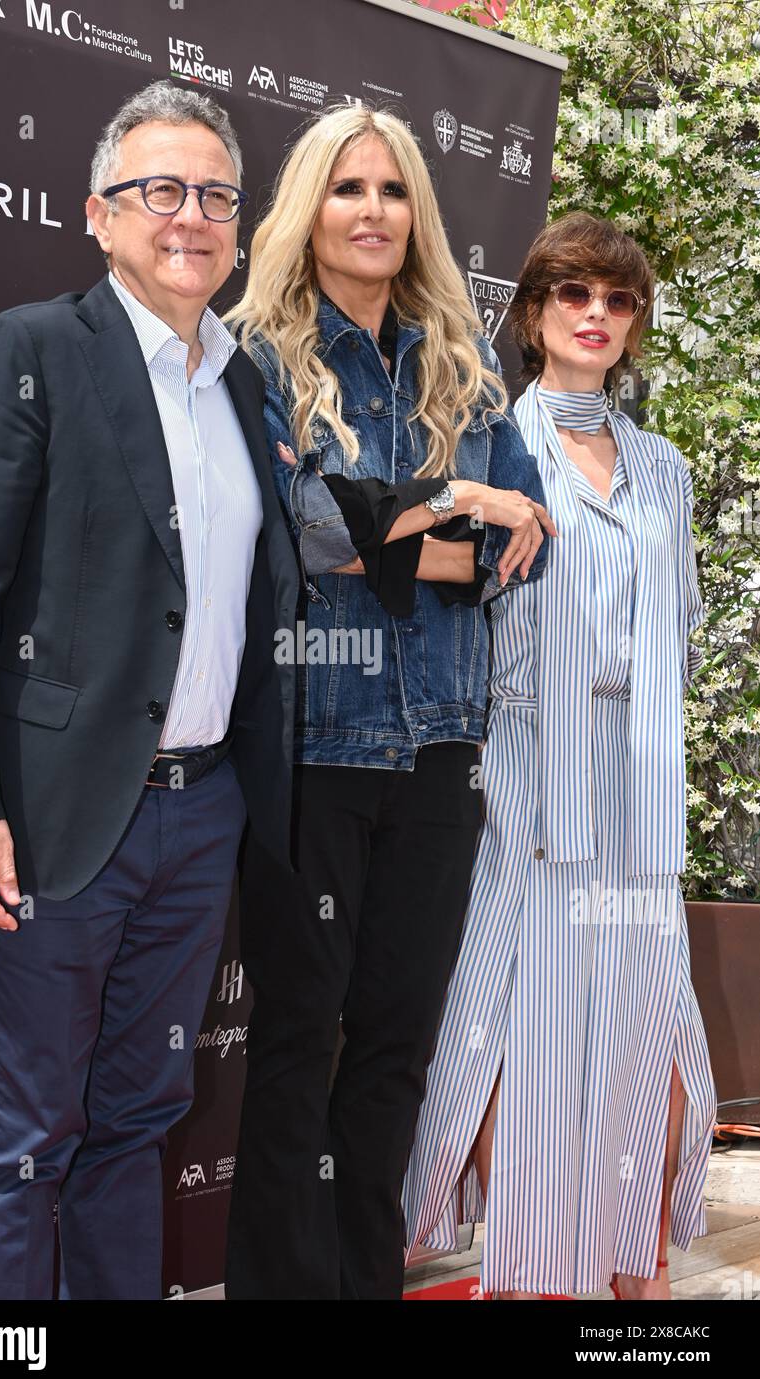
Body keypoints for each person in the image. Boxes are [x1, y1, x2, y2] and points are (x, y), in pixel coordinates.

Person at [0, 80, 299, 1300]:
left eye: (216, 196)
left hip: (202, 814)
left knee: (138, 1121)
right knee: (21, 1136)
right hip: (57, 815)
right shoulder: (30, 351)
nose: (191, 216)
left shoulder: (245, 382)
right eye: (160, 189)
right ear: (98, 213)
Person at [223, 104, 555, 1300]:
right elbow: (309, 531)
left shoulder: (459, 363)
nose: (372, 210)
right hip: (316, 747)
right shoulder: (253, 356)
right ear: (307, 208)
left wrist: (417, 527)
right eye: (347, 187)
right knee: (296, 1047)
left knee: (396, 1049)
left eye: (393, 189)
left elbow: (524, 547)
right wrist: (461, 501)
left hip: (442, 755)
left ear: (418, 212)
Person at [403, 212, 716, 1300]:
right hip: (531, 776)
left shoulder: (664, 467)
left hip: (639, 787)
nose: (596, 314)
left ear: (633, 325)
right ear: (533, 311)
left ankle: (633, 1275)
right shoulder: (491, 443)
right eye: (574, 293)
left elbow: (676, 625)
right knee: (511, 1025)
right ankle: (524, 1269)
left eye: (618, 299)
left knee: (651, 1031)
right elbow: (432, 590)